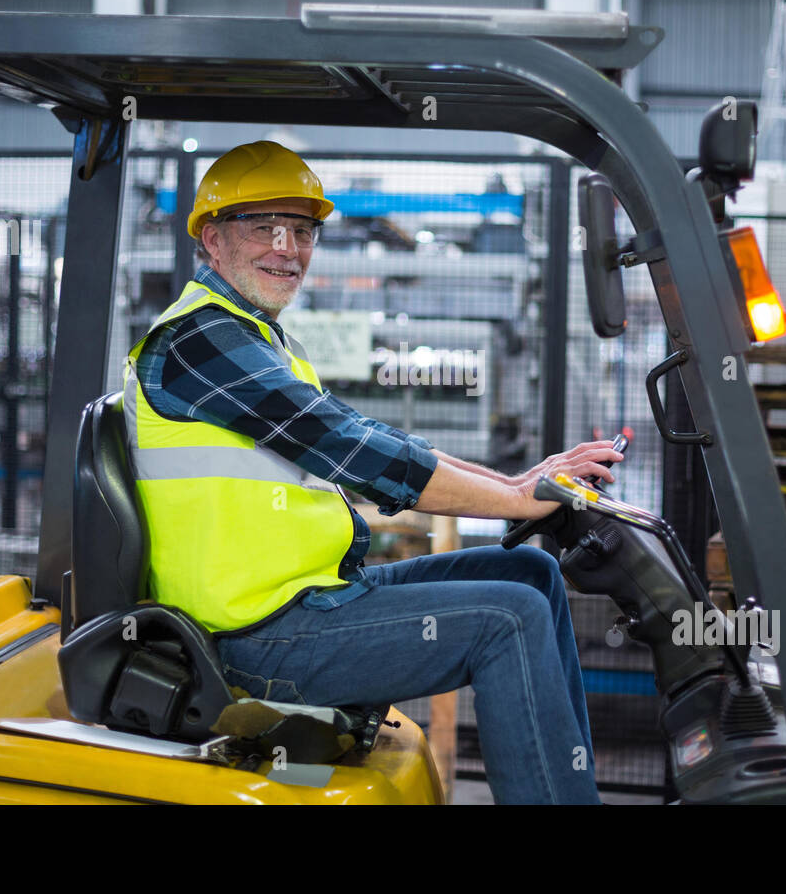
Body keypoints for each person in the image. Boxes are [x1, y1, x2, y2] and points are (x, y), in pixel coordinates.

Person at [123, 140, 622, 804]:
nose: (288, 247)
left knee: (529, 573)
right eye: (264, 227)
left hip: (307, 599)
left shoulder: (253, 337)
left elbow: (368, 434)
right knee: (508, 618)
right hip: (255, 638)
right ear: (212, 239)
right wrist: (515, 500)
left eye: (302, 231)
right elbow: (346, 446)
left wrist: (518, 485)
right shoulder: (200, 340)